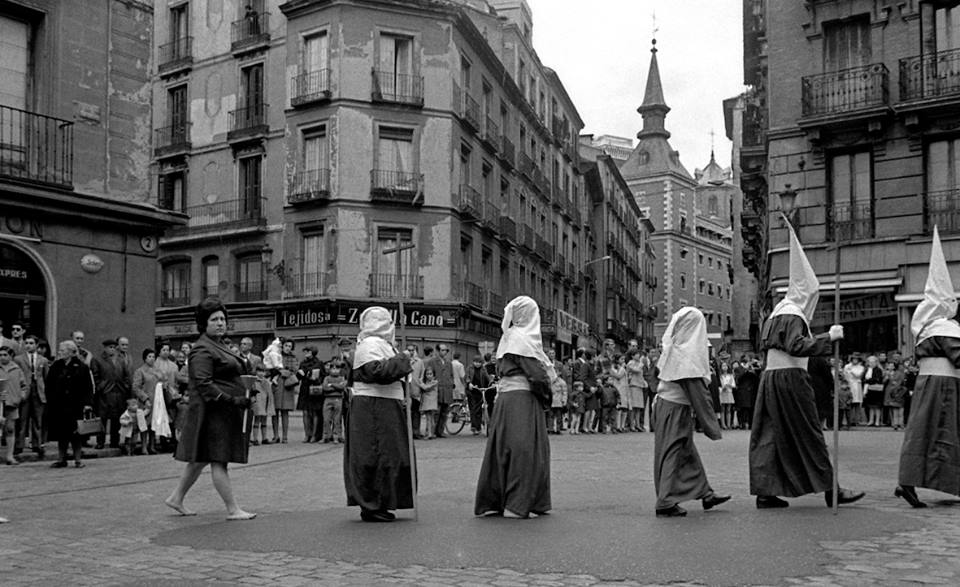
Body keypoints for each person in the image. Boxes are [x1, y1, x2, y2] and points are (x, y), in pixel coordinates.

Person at [749, 226, 864, 509]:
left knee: (771, 433)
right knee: (809, 431)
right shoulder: (793, 314)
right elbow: (796, 346)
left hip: (771, 379)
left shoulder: (776, 314)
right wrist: (829, 337)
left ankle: (766, 491)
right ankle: (831, 489)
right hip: (791, 378)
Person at [166, 297, 256, 520]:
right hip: (214, 413)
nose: (220, 323)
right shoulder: (202, 349)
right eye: (214, 319)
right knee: (218, 459)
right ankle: (233, 509)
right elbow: (204, 384)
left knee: (200, 459)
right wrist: (232, 399)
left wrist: (245, 390)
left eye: (222, 319)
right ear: (203, 323)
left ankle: (176, 498)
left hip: (221, 412)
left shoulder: (219, 345)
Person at [897, 226, 960, 509]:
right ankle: (911, 482)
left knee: (923, 433)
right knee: (945, 434)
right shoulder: (944, 326)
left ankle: (909, 481)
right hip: (944, 386)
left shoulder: (925, 327)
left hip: (928, 384)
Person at [475, 296, 552, 519]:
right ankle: (517, 503)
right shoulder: (523, 340)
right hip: (522, 399)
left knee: (502, 448)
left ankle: (496, 500)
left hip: (507, 399)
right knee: (524, 450)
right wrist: (547, 394)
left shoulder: (509, 337)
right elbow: (536, 375)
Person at [652, 307, 730, 517]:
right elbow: (698, 392)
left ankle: (706, 493)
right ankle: (665, 501)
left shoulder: (675, 348)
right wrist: (711, 424)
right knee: (673, 451)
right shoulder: (686, 354)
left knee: (686, 452)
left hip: (670, 406)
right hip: (674, 408)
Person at [343, 306, 414, 523]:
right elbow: (376, 372)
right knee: (375, 453)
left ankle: (383, 501)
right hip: (374, 405)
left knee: (390, 453)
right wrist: (402, 360)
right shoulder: (369, 345)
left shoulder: (385, 345)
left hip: (385, 404)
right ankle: (372, 504)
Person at [45, 341, 94, 468]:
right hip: (59, 405)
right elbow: (49, 385)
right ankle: (62, 459)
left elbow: (88, 387)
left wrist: (87, 403)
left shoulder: (82, 367)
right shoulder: (56, 366)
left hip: (76, 405)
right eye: (59, 350)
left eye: (62, 350)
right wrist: (50, 400)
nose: (59, 352)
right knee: (62, 433)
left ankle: (78, 460)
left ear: (71, 352)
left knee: (76, 433)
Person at [91, 339, 132, 450]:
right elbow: (95, 376)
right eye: (110, 347)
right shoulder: (97, 360)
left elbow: (126, 375)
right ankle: (100, 441)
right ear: (105, 348)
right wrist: (100, 387)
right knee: (102, 418)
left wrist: (125, 386)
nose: (112, 349)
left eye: (114, 347)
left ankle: (115, 441)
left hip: (119, 392)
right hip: (105, 393)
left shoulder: (121, 360)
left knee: (116, 418)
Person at [14, 335, 48, 460]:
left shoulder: (43, 360)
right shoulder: (18, 359)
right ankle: (19, 444)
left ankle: (36, 443)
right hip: (25, 390)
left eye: (31, 343)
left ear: (36, 345)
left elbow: (46, 377)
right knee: (22, 419)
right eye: (27, 343)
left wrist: (45, 392)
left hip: (38, 391)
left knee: (37, 419)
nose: (28, 345)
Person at [132, 348, 166, 455]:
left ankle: (152, 445)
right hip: (145, 401)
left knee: (154, 423)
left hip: (157, 400)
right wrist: (145, 398)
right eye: (149, 357)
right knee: (144, 424)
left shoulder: (158, 371)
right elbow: (136, 387)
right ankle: (143, 446)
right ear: (144, 358)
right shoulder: (140, 371)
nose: (152, 359)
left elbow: (164, 382)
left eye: (153, 357)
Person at [0, 346, 26, 465]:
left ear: (11, 356)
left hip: (12, 403)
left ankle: (9, 456)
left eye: (5, 355)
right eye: (0, 355)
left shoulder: (17, 369)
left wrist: (21, 396)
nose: (2, 357)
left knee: (10, 429)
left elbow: (23, 385)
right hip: (0, 403)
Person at [270, 339, 299, 444]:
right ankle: (275, 435)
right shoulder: (276, 355)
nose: (287, 348)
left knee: (285, 411)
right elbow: (271, 367)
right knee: (275, 411)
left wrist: (284, 372)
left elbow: (295, 369)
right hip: (277, 383)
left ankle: (285, 436)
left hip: (287, 384)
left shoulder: (293, 358)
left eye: (290, 346)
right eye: (286, 345)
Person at [295, 346, 325, 442]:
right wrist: (299, 374)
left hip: (314, 389)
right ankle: (307, 434)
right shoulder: (303, 363)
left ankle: (315, 435)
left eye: (308, 351)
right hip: (304, 389)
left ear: (313, 353)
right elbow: (298, 377)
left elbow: (322, 375)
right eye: (305, 352)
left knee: (315, 412)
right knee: (305, 412)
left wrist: (312, 376)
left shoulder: (319, 363)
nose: (306, 353)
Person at [427, 344, 454, 438]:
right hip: (437, 389)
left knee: (444, 412)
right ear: (438, 351)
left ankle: (440, 431)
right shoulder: (432, 362)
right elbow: (429, 374)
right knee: (436, 412)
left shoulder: (449, 362)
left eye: (446, 350)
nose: (445, 352)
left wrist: (451, 383)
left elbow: (451, 375)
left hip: (447, 389)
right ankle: (432, 431)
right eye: (443, 350)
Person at [320, 360, 347, 443]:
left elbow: (342, 387)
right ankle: (326, 436)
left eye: (337, 368)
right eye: (333, 368)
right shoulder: (327, 378)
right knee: (326, 419)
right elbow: (325, 387)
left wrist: (331, 385)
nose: (335, 370)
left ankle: (336, 436)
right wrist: (336, 387)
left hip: (338, 399)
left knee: (337, 419)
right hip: (328, 399)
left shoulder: (341, 378)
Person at [466, 355, 491, 436]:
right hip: (472, 390)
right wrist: (469, 383)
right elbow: (467, 377)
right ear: (473, 362)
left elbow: (487, 377)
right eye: (476, 362)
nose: (477, 364)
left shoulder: (483, 369)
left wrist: (491, 383)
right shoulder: (469, 368)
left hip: (480, 390)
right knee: (473, 409)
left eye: (479, 362)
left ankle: (478, 427)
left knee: (479, 410)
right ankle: (474, 427)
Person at [883, 361, 907, 431]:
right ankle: (893, 422)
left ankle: (899, 423)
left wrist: (895, 383)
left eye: (892, 366)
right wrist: (886, 377)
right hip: (889, 390)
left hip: (897, 390)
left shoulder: (898, 373)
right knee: (891, 406)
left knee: (897, 407)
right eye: (889, 365)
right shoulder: (886, 373)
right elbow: (883, 382)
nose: (890, 367)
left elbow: (900, 381)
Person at [843, 354, 865, 426]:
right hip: (849, 385)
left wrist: (851, 370)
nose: (855, 360)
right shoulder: (847, 366)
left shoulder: (861, 367)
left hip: (857, 386)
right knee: (849, 403)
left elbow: (858, 376)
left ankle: (856, 420)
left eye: (856, 359)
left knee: (857, 403)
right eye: (853, 359)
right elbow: (845, 375)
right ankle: (849, 420)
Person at [863, 355, 885, 427]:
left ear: (876, 362)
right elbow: (863, 378)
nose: (871, 364)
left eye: (873, 362)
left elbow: (877, 379)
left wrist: (868, 380)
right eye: (870, 362)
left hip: (876, 390)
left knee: (877, 406)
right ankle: (871, 420)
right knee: (871, 406)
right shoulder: (867, 369)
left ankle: (877, 421)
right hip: (869, 389)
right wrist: (866, 381)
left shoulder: (878, 370)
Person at [418, 366, 439, 440]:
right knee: (430, 418)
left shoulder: (434, 382)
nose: (429, 376)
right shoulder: (427, 382)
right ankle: (431, 433)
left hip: (430, 401)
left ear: (434, 375)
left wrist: (420, 383)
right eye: (427, 374)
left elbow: (426, 388)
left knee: (429, 418)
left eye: (430, 374)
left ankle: (430, 433)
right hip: (428, 401)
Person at [718, 362, 736, 430]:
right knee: (722, 409)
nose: (725, 367)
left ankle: (728, 424)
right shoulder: (720, 376)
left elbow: (734, 385)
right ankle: (723, 424)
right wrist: (722, 388)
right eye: (723, 366)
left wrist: (729, 385)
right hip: (722, 392)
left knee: (728, 409)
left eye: (726, 366)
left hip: (729, 392)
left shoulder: (730, 376)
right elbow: (719, 385)